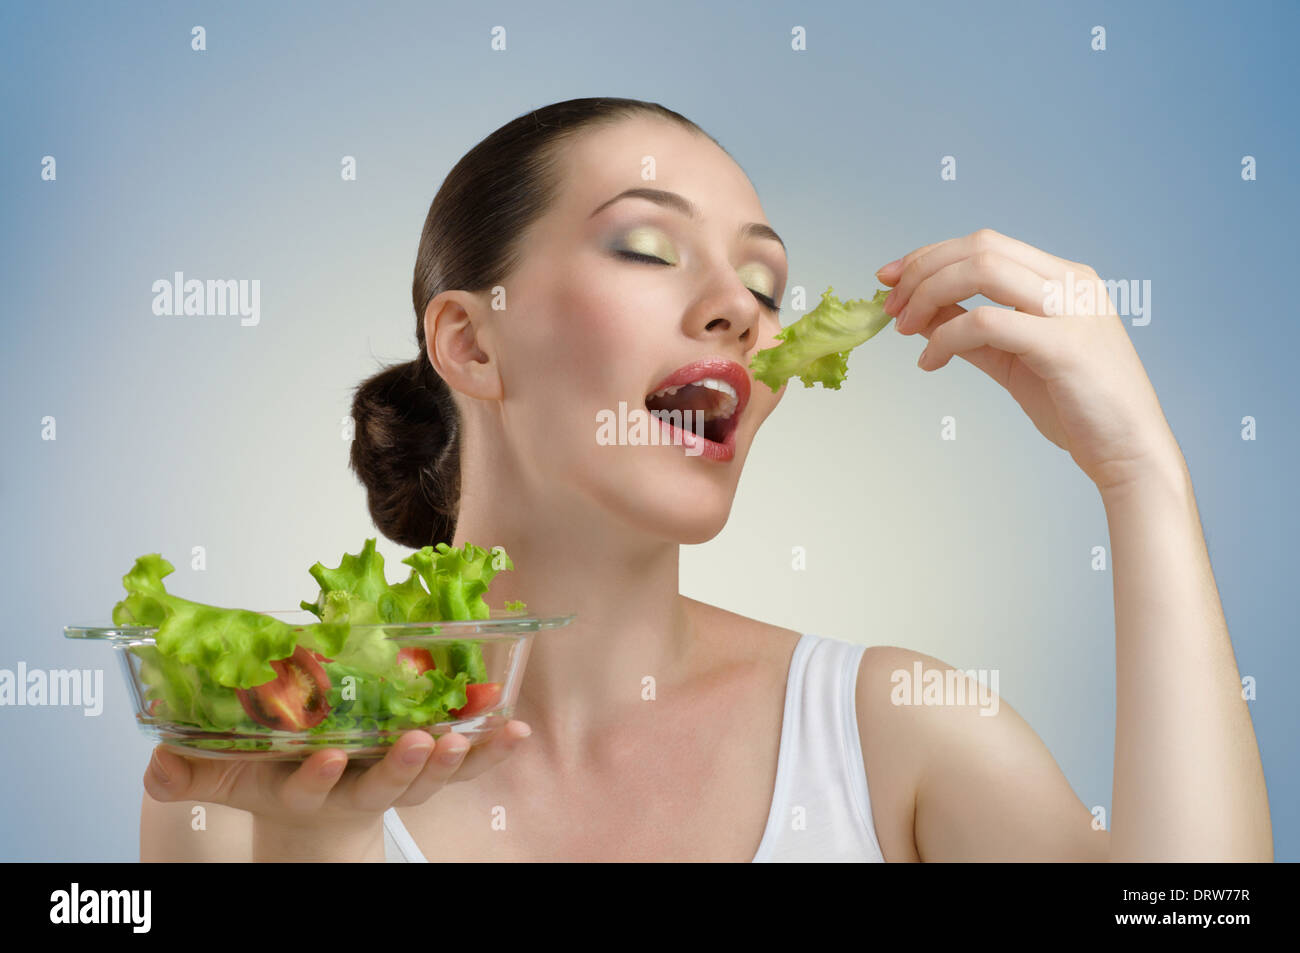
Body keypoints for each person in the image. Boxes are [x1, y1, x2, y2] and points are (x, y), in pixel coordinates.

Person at [139, 97, 1271, 862]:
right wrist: (320, 843)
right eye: (645, 246)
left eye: (765, 279)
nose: (741, 306)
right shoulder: (254, 754)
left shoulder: (900, 732)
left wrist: (1140, 475)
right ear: (474, 344)